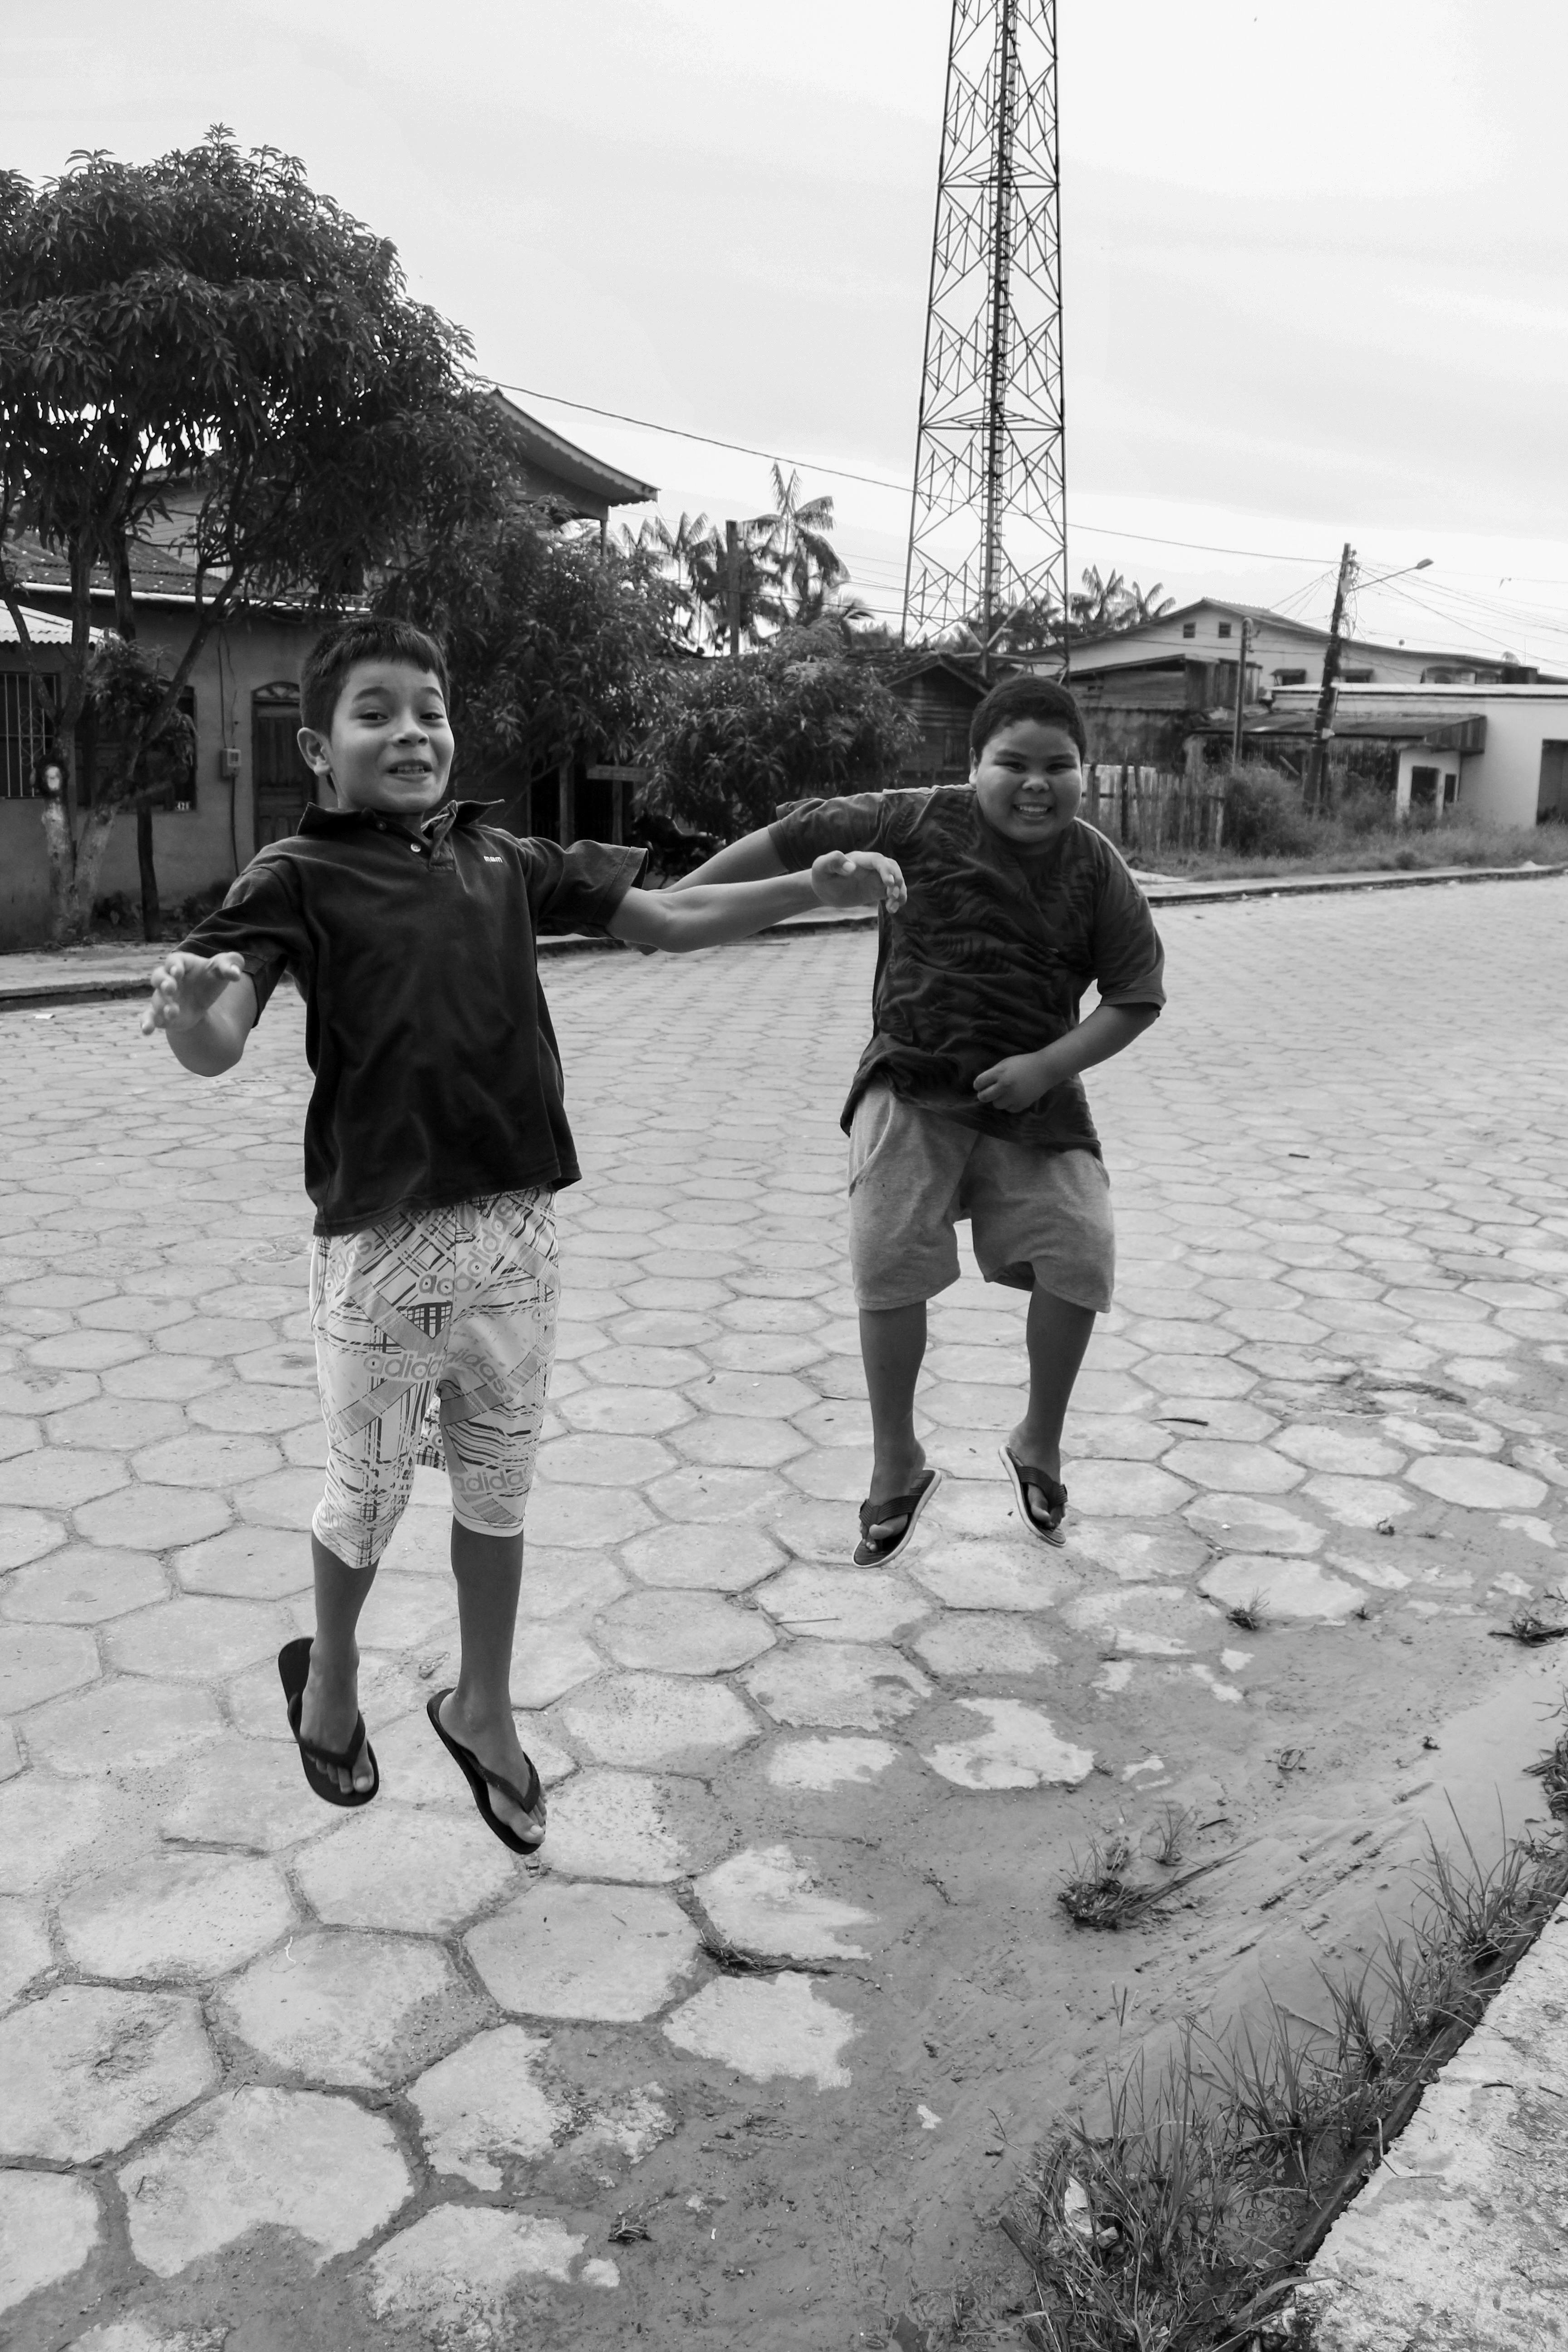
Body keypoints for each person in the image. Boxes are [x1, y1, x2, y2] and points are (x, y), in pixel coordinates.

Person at [140, 617, 903, 1852]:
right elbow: (222, 1031)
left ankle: (481, 1706)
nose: (411, 731)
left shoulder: (503, 856)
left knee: (498, 1490)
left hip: (516, 1232)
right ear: (318, 749)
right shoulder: (296, 874)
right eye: (376, 712)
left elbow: (657, 921)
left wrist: (804, 888)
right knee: (368, 1497)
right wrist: (186, 1017)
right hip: (381, 1251)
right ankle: (330, 1675)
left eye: (429, 710)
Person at [672, 672, 1165, 1565]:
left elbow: (1136, 996)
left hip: (1034, 1101)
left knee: (1084, 1254)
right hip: (907, 1087)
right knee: (888, 1267)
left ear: (1085, 773)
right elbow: (796, 835)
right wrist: (676, 904)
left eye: (1060, 765)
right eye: (1011, 762)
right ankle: (896, 1462)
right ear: (971, 764)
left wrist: (1048, 1067)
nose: (1036, 782)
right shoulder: (914, 818)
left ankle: (1039, 1441)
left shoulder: (1095, 867)